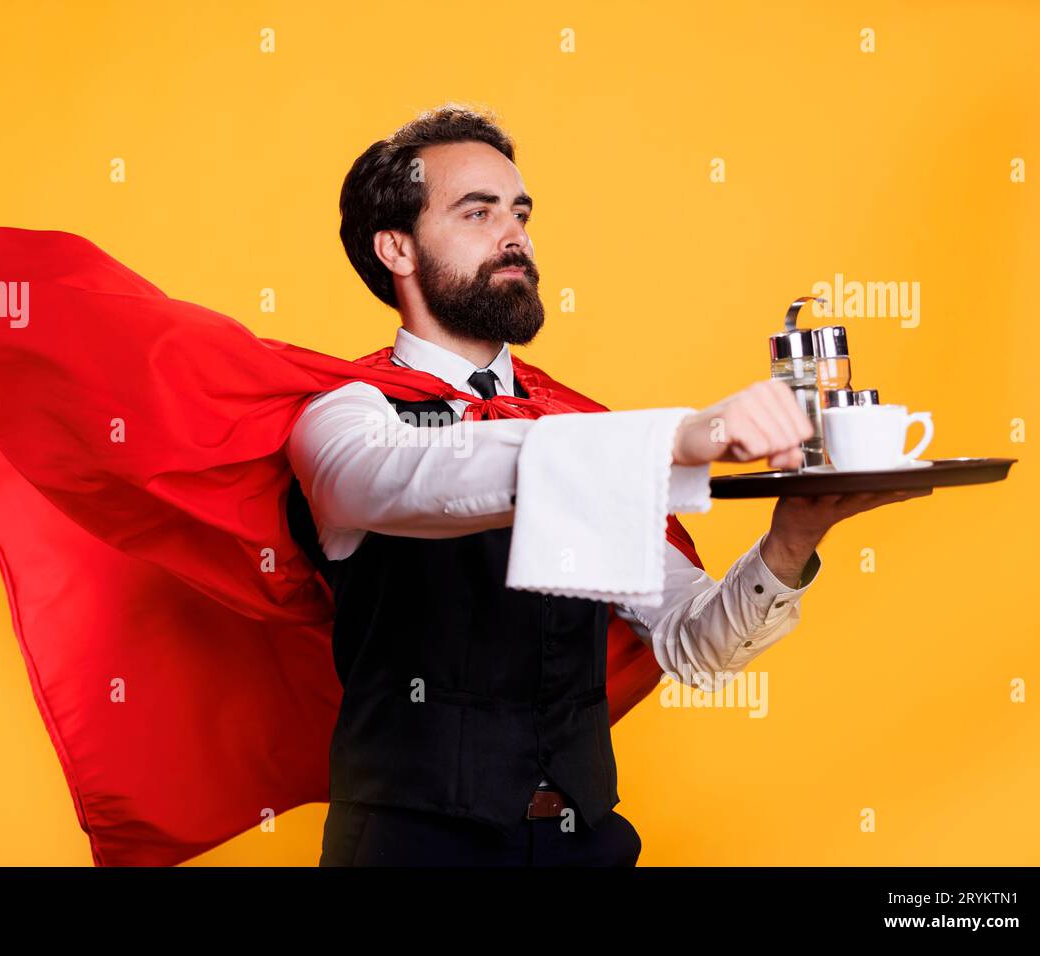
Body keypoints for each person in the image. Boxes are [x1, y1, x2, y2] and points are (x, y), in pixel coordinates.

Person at [285, 104, 931, 867]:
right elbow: (404, 480)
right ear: (396, 247)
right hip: (407, 852)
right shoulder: (345, 416)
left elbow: (694, 643)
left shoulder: (580, 424)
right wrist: (681, 438)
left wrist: (793, 541)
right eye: (478, 211)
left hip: (584, 844)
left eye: (520, 211)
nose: (515, 234)